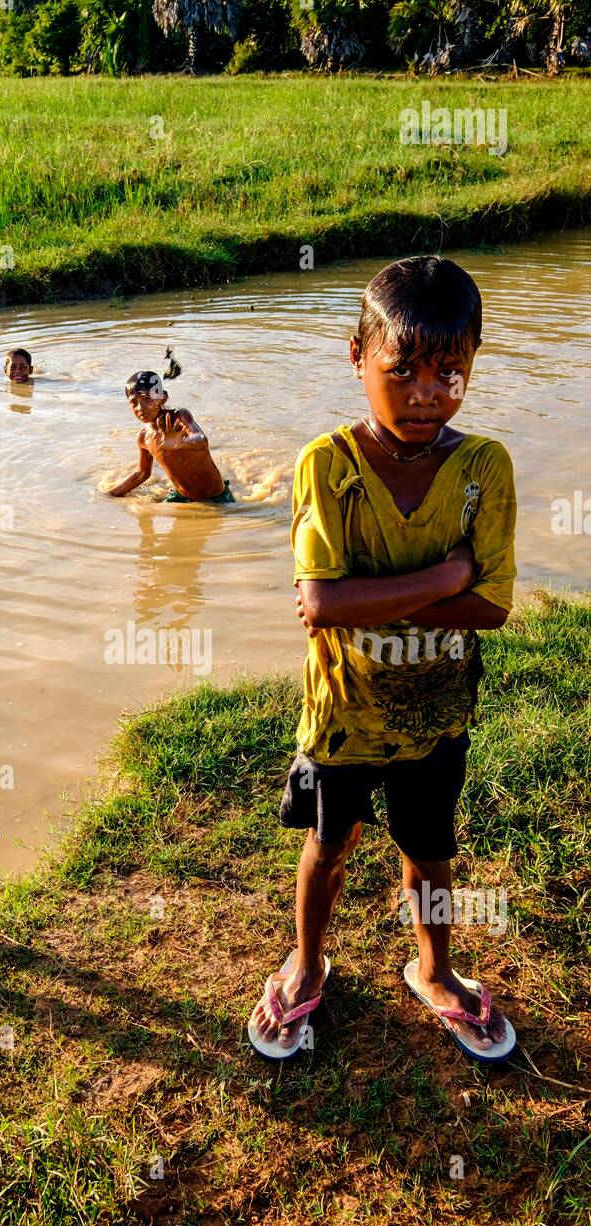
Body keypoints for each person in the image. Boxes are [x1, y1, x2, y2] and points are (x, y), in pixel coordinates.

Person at [248, 255, 517, 1065]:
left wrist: (373, 594)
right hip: (345, 715)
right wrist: (444, 574)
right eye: (401, 371)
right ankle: (305, 960)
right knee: (328, 846)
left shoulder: (483, 469)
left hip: (439, 710)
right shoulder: (327, 466)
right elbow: (321, 607)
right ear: (356, 358)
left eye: (449, 372)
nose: (428, 393)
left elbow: (493, 607)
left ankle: (434, 969)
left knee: (430, 850)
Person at [107, 370, 234, 503]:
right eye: (134, 402)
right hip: (183, 498)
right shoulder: (144, 438)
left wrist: (179, 443)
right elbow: (142, 473)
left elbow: (201, 439)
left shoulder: (179, 418)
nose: (140, 408)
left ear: (163, 398)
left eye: (146, 399)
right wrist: (111, 495)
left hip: (216, 495)